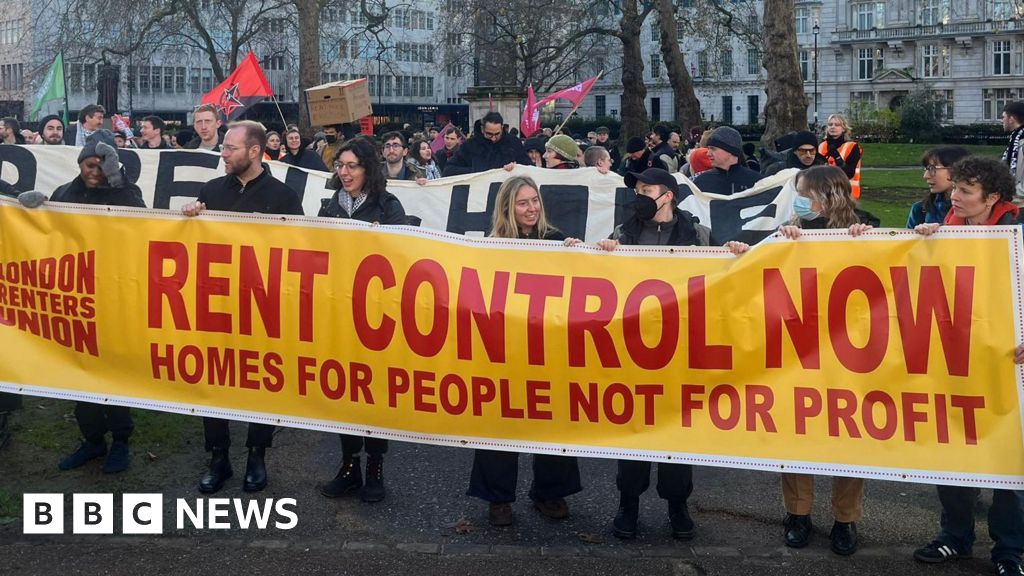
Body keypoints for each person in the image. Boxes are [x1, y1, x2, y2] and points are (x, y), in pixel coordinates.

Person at [579, 168, 746, 540]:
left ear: (668, 195)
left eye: (646, 189)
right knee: (634, 432)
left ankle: (677, 504)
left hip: (681, 355)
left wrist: (733, 254)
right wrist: (601, 254)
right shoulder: (623, 235)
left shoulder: (698, 236)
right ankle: (629, 503)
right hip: (634, 353)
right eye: (637, 189)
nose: (639, 194)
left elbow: (726, 281)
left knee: (677, 434)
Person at [180, 120, 304, 494]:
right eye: (224, 147)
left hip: (262, 307)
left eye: (230, 148)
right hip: (217, 305)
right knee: (213, 380)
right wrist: (188, 221)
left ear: (253, 151)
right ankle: (218, 457)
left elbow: (299, 250)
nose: (223, 153)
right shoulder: (212, 190)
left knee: (261, 383)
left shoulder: (283, 197)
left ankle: (256, 456)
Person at [913, 156, 1023, 576]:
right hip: (957, 364)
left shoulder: (1017, 235)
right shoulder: (947, 231)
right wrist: (922, 243)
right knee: (954, 454)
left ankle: (1009, 549)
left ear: (993, 197)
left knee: (1007, 463)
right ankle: (955, 537)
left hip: (1007, 367)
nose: (954, 197)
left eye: (965, 191)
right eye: (954, 188)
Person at [467, 175, 582, 527]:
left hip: (548, 347)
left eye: (534, 201)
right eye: (522, 203)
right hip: (506, 347)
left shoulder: (557, 240)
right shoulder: (492, 247)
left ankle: (549, 491)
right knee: (501, 420)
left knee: (551, 418)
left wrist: (584, 255)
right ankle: (498, 497)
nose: (531, 208)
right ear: (507, 208)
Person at [775, 165, 878, 556]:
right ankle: (797, 514)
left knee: (849, 436)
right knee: (797, 432)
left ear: (827, 194)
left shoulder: (866, 228)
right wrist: (779, 243)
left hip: (851, 355)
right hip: (800, 352)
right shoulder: (790, 229)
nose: (799, 199)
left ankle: (845, 520)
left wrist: (869, 243)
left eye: (804, 192)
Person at [46, 132, 145, 474]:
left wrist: (117, 183)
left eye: (102, 166)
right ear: (80, 163)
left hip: (114, 297)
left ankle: (120, 441)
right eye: (90, 164)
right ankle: (91, 440)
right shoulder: (65, 193)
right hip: (77, 298)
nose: (95, 172)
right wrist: (30, 210)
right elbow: (48, 233)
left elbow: (142, 224)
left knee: (113, 373)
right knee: (81, 375)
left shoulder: (127, 193)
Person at [318, 136, 405, 502]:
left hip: (375, 316)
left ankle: (375, 467)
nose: (345, 172)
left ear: (368, 168)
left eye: (352, 166)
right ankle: (349, 464)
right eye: (341, 166)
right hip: (338, 314)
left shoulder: (388, 206)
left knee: (373, 393)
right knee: (345, 392)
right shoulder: (329, 207)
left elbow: (404, 255)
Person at [441, 112, 530, 176]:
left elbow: (529, 168)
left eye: (497, 134)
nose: (493, 138)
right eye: (489, 134)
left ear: (502, 128)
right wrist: (476, 171)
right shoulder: (470, 145)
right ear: (482, 129)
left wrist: (516, 168)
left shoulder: (514, 143)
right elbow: (449, 170)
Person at [906, 146, 970, 228]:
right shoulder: (920, 210)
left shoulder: (977, 210)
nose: (926, 176)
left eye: (932, 169)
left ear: (956, 170)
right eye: (926, 169)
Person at [692, 126, 761, 195]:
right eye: (708, 148)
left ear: (730, 150)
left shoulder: (757, 183)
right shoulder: (701, 182)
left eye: (713, 149)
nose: (708, 153)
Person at [818, 113, 863, 199]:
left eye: (837, 125)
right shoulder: (821, 146)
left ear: (843, 128)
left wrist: (837, 157)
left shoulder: (852, 147)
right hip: (824, 193)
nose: (833, 127)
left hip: (846, 194)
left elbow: (849, 173)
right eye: (830, 124)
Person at [1000, 101, 1024, 204]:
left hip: (1019, 202)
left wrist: (1014, 194)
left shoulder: (1021, 141)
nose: (1002, 121)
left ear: (1011, 119)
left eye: (1003, 117)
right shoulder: (1015, 139)